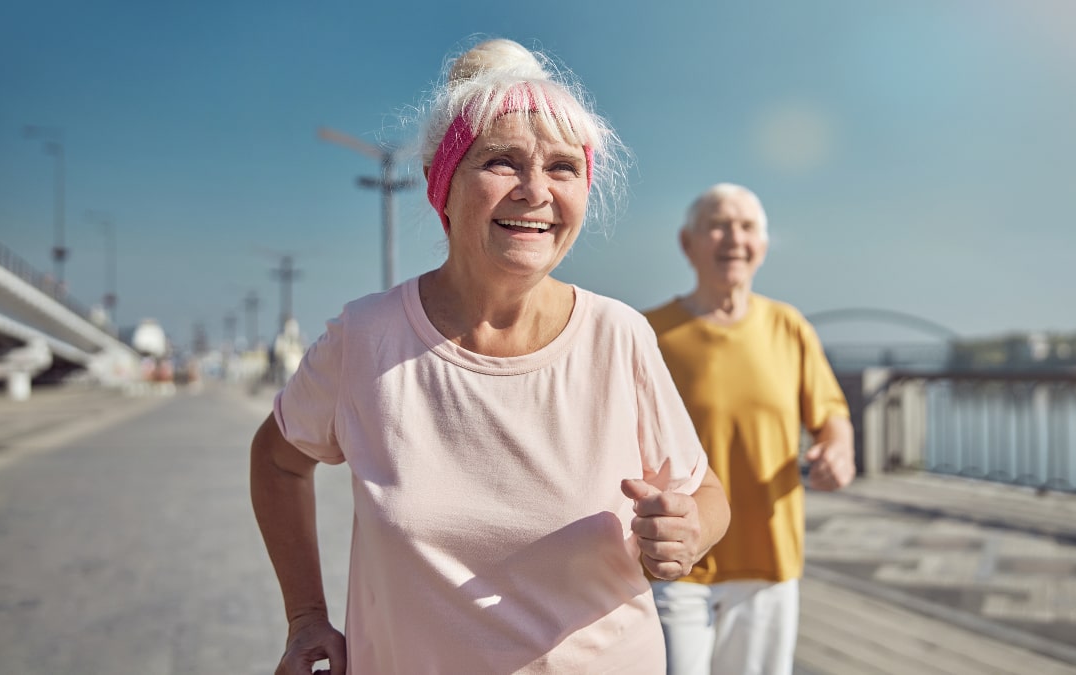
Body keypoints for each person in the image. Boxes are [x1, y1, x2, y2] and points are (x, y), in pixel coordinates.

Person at [250, 38, 730, 674]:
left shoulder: (620, 336)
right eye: (502, 161)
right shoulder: (367, 338)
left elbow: (704, 491)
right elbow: (277, 460)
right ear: (441, 183)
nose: (535, 191)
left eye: (563, 168)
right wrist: (306, 616)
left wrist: (688, 531)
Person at [643, 183, 856, 675]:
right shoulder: (648, 332)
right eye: (718, 226)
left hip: (767, 558)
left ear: (761, 244)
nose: (734, 238)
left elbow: (830, 415)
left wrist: (837, 451)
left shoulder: (789, 327)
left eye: (746, 227)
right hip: (674, 559)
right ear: (688, 243)